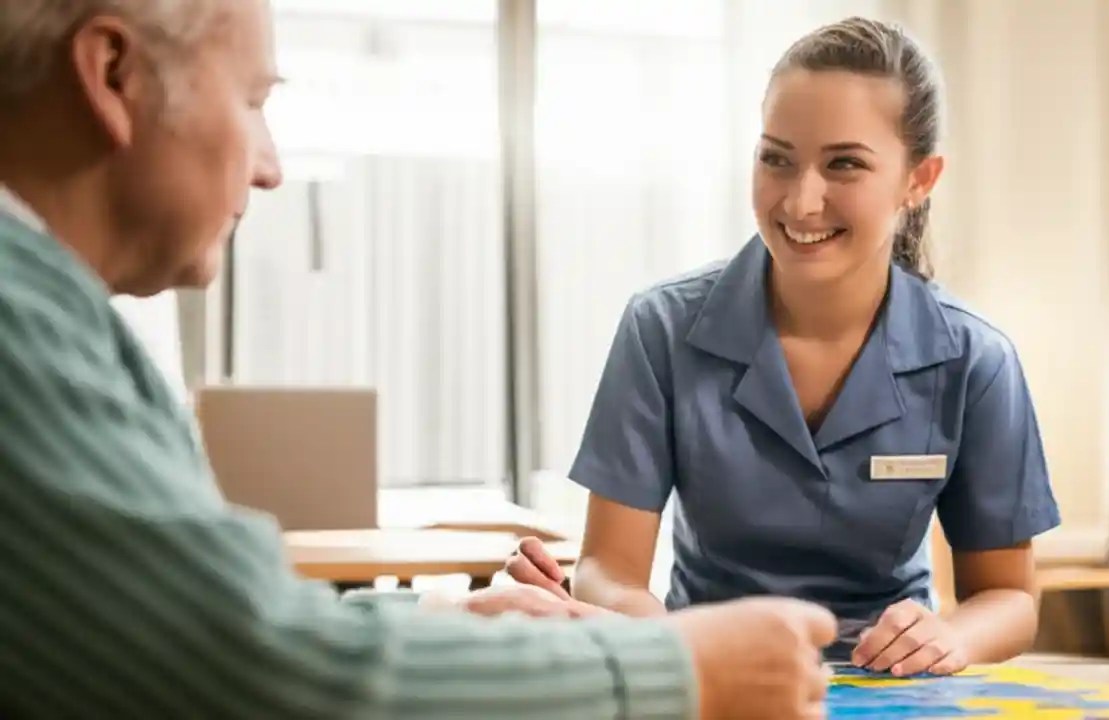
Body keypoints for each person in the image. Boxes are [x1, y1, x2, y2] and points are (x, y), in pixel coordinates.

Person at [0, 1, 838, 717]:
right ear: (113, 73)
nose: (270, 167)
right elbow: (238, 666)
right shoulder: (18, 331)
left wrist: (443, 627)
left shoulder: (55, 316)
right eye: (254, 102)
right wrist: (677, 673)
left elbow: (183, 623)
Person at [510, 16, 1061, 677]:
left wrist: (951, 638)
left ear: (919, 180)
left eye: (845, 164)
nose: (802, 202)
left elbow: (1008, 595)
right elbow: (608, 569)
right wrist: (666, 642)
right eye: (776, 158)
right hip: (709, 675)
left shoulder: (976, 359)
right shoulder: (660, 329)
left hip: (893, 686)